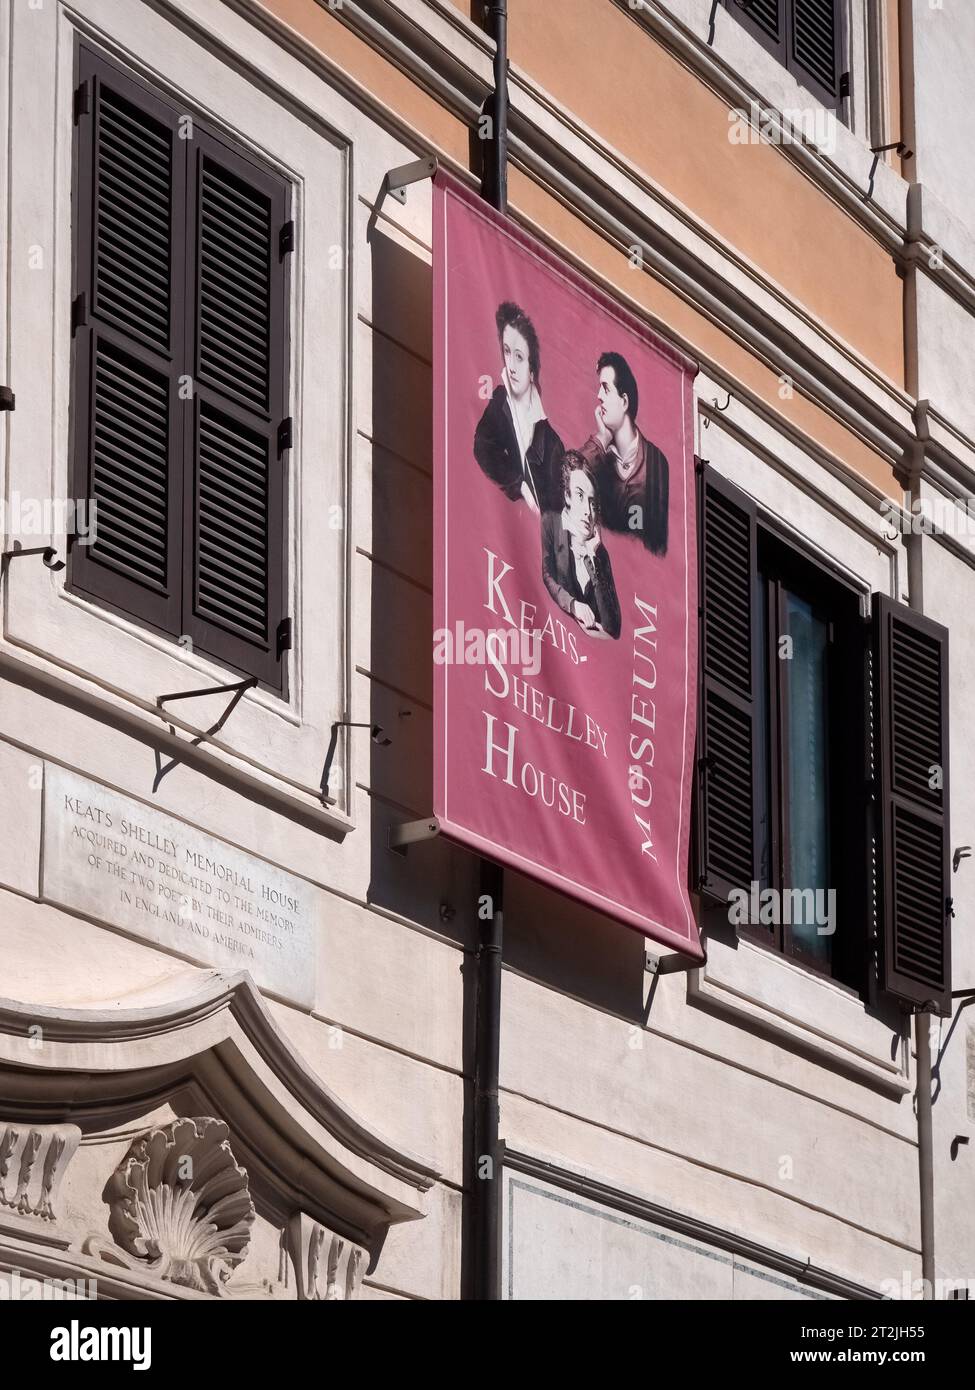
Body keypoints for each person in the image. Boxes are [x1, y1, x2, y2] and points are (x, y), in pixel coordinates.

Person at [474, 301, 564, 513]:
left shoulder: (551, 442)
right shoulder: (501, 401)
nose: (511, 365)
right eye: (507, 352)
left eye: (519, 357)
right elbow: (482, 446)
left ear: (532, 370)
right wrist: (519, 485)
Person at [581, 351, 669, 555]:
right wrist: (600, 440)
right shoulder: (598, 454)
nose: (599, 396)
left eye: (605, 388)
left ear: (624, 401)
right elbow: (568, 480)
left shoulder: (656, 464)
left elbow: (658, 545)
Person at [541, 452, 621, 640]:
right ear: (567, 496)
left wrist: (593, 558)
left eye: (592, 503)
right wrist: (573, 605)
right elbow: (546, 575)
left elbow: (613, 628)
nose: (587, 511)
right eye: (579, 495)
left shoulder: (599, 554)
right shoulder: (551, 523)